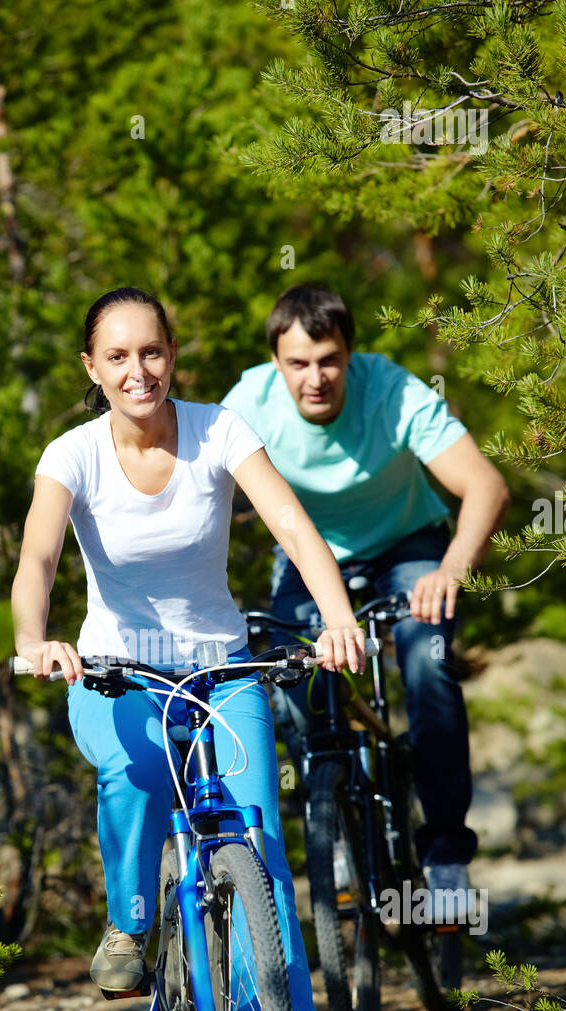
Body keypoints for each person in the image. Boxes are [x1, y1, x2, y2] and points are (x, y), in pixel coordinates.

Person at [11, 286, 368, 1011]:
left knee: (260, 848)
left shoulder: (220, 430)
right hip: (113, 672)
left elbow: (289, 521)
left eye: (153, 352)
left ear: (174, 355)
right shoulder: (72, 455)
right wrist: (37, 640)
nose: (140, 371)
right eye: (119, 356)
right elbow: (38, 554)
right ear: (92, 369)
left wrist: (338, 617)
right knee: (132, 774)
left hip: (222, 669)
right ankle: (131, 923)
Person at [221, 283, 511, 913]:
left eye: (329, 360)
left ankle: (445, 859)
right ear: (276, 362)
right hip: (308, 555)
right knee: (293, 673)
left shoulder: (394, 390)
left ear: (350, 354)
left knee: (428, 662)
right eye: (298, 363)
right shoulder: (247, 403)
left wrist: (451, 571)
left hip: (410, 546)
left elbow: (485, 487)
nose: (315, 378)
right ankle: (336, 825)